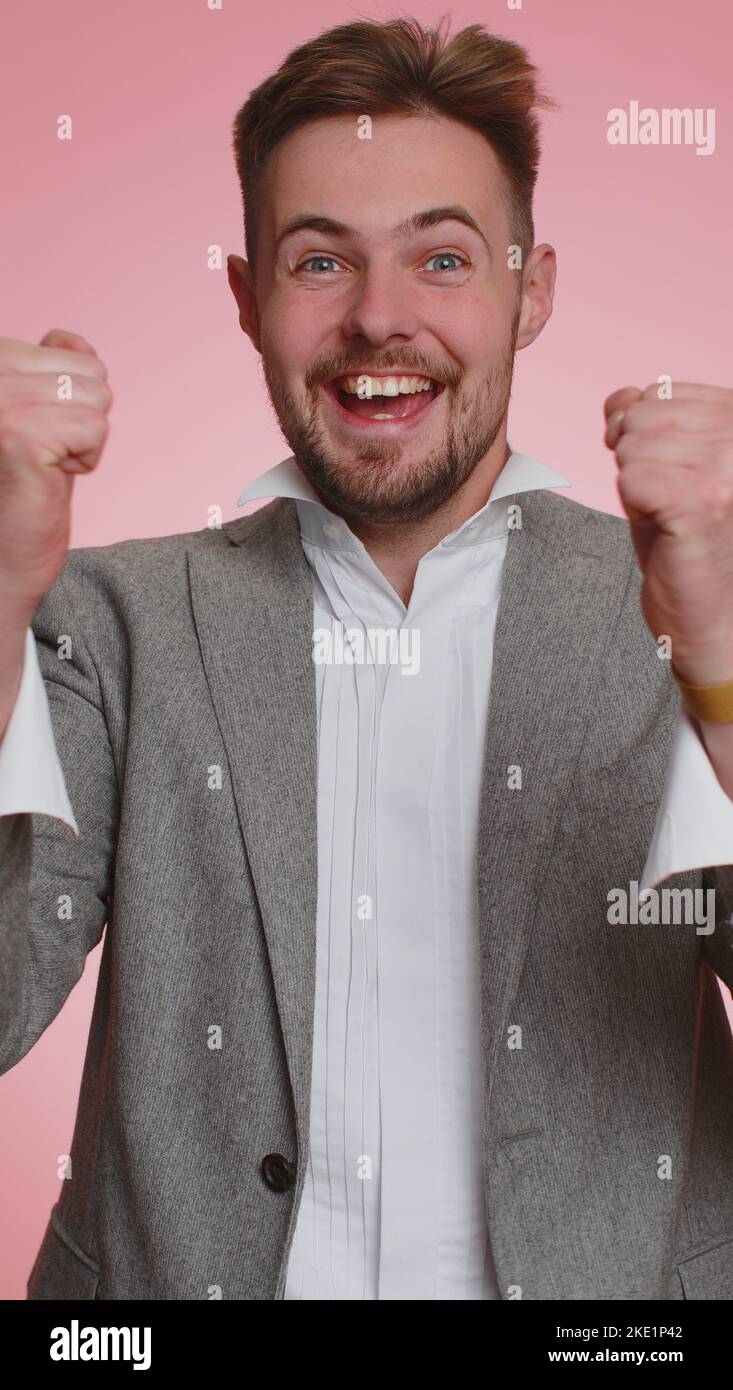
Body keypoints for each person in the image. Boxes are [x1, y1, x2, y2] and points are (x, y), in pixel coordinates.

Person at [1, 15, 733, 1301]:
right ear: (247, 300)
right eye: (320, 262)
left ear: (533, 286)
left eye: (441, 258)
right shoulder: (111, 619)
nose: (379, 321)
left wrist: (720, 659)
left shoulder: (678, 601)